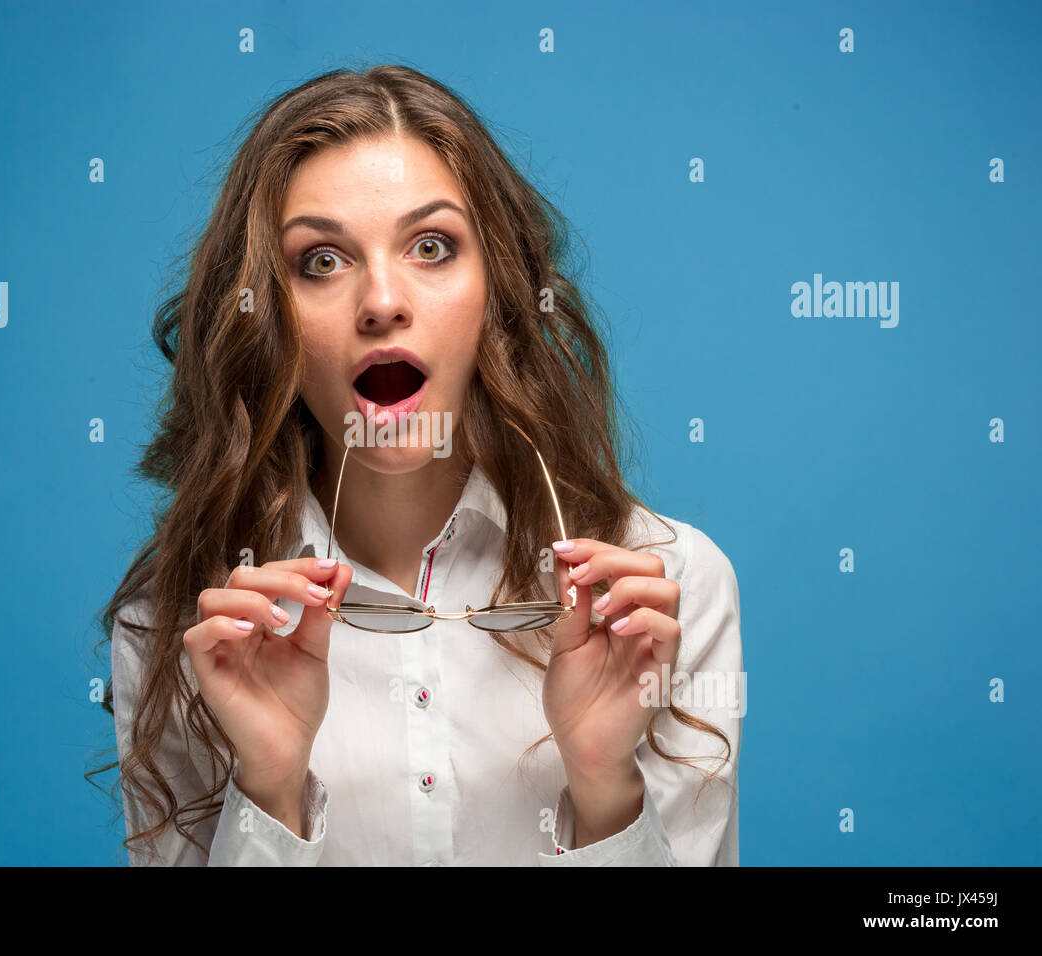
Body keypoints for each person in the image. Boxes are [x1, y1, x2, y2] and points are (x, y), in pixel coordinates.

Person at [95, 64, 743, 866]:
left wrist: (605, 787)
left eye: (431, 246)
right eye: (321, 261)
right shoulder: (188, 627)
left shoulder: (664, 591)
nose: (381, 300)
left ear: (499, 292)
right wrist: (269, 792)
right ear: (266, 319)